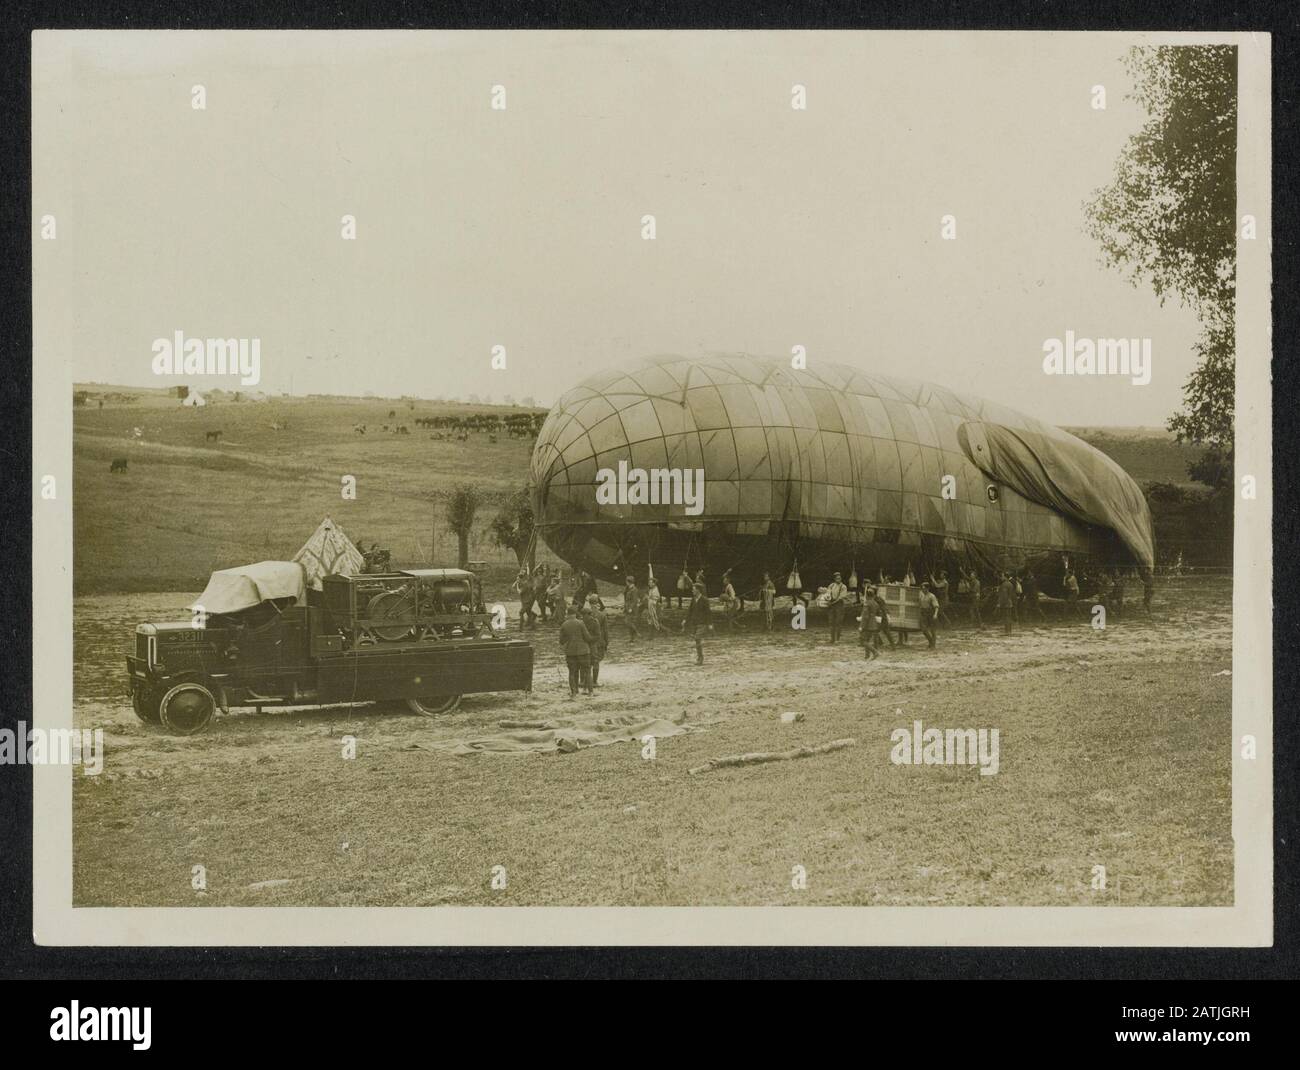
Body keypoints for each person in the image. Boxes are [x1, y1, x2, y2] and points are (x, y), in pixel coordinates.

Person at [557, 606, 595, 698]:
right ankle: (590, 692)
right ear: (575, 614)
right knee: (587, 671)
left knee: (572, 672)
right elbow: (587, 637)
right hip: (583, 651)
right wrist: (594, 639)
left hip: (570, 652)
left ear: (567, 614)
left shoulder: (564, 625)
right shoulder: (580, 623)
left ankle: (574, 692)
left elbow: (561, 641)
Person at [582, 595, 610, 686]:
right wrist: (606, 642)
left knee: (586, 661)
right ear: (597, 603)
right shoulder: (602, 615)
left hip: (587, 641)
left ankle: (584, 681)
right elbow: (605, 630)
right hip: (598, 641)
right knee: (596, 661)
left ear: (589, 603)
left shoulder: (584, 615)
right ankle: (594, 682)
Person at [682, 583, 712, 665]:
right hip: (695, 623)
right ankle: (699, 656)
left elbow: (708, 612)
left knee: (697, 638)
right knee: (697, 640)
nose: (692, 590)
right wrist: (685, 620)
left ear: (698, 590)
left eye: (694, 589)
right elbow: (690, 611)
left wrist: (710, 624)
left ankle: (700, 658)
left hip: (702, 623)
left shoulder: (705, 600)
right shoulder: (693, 599)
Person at [825, 571, 849, 643]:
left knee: (838, 622)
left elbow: (841, 597)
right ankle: (832, 639)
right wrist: (827, 600)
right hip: (831, 605)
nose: (838, 579)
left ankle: (837, 639)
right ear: (834, 579)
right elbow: (828, 594)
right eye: (837, 578)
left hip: (839, 605)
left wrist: (831, 603)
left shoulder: (843, 586)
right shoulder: (831, 585)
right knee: (831, 622)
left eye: (839, 577)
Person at [858, 595, 880, 660]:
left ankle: (875, 652)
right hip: (874, 625)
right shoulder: (876, 603)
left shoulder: (867, 603)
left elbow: (865, 616)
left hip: (867, 625)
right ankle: (867, 655)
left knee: (862, 641)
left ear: (867, 596)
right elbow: (878, 613)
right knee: (867, 640)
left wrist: (861, 626)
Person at [918, 581, 939, 649]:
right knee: (923, 629)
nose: (922, 589)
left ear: (927, 588)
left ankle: (933, 645)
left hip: (930, 612)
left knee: (932, 630)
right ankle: (931, 641)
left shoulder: (932, 596)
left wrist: (935, 614)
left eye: (924, 588)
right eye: (922, 588)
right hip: (923, 613)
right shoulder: (921, 595)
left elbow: (936, 606)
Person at [622, 576, 642, 641]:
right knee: (629, 623)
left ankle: (636, 632)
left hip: (631, 609)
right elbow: (624, 594)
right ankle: (632, 638)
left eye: (627, 582)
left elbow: (634, 600)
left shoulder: (634, 590)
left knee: (628, 622)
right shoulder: (629, 589)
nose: (626, 583)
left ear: (629, 582)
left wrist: (631, 608)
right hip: (627, 608)